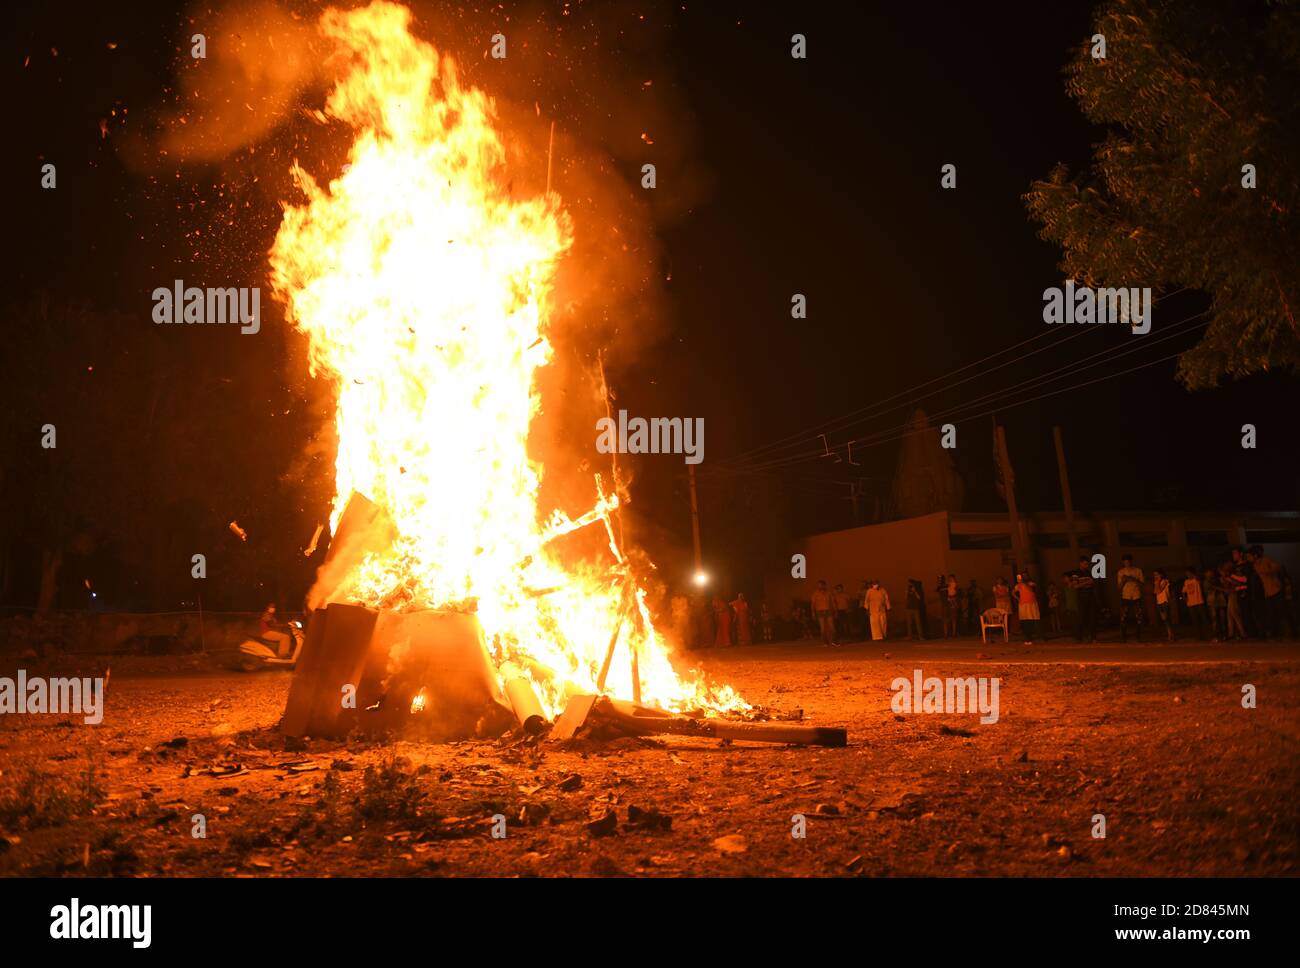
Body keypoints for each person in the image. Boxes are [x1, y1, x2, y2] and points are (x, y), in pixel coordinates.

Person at [1247, 546, 1283, 638]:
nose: (1248, 558)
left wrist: (1268, 571)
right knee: (1271, 614)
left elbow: (1277, 567)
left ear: (1255, 555)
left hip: (1276, 590)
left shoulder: (1266, 560)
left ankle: (1287, 633)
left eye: (1249, 556)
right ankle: (1275, 634)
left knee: (1281, 612)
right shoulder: (1255, 565)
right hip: (1268, 592)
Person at [1069, 557, 1099, 643]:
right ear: (1080, 563)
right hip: (1081, 598)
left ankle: (1093, 637)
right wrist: (1086, 583)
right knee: (1082, 617)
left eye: (1087, 564)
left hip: (1090, 597)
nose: (1087, 565)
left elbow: (1093, 583)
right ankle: (1079, 637)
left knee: (1092, 617)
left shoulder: (1089, 572)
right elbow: (1075, 586)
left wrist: (1089, 583)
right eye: (1085, 563)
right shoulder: (1076, 573)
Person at [1117, 554, 1145, 643]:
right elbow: (1119, 587)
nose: (1127, 563)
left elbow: (1142, 584)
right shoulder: (1121, 572)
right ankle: (1123, 636)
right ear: (1123, 562)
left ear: (1131, 561)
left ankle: (1138, 636)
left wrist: (1132, 579)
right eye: (1125, 562)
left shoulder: (1138, 571)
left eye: (1128, 561)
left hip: (1136, 595)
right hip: (1125, 596)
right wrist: (1124, 580)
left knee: (1139, 617)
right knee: (1123, 617)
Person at [1223, 558, 1248, 640]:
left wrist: (1230, 580)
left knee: (1235, 614)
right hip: (1231, 594)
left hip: (1234, 594)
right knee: (1230, 615)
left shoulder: (1234, 575)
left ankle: (1242, 633)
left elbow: (1240, 583)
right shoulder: (1230, 576)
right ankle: (1231, 634)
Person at [1181, 566, 1207, 641]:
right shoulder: (1186, 582)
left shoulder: (1196, 579)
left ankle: (1208, 635)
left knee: (1204, 619)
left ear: (1192, 573)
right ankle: (1199, 636)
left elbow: (1200, 578)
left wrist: (1195, 575)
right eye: (1186, 573)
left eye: (1189, 573)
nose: (1188, 575)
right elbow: (1183, 591)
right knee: (1195, 621)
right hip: (1191, 604)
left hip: (1199, 602)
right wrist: (1184, 598)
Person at [1012, 573, 1040, 644]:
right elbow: (1013, 592)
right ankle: (1028, 636)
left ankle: (1035, 635)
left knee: (1032, 619)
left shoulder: (1031, 584)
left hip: (1031, 604)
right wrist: (1018, 599)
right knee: (1025, 620)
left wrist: (1025, 583)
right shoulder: (1018, 586)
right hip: (1023, 604)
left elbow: (1033, 590)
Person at [811, 580, 837, 647]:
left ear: (824, 585)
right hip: (820, 612)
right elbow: (813, 604)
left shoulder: (829, 593)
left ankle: (833, 641)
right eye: (819, 585)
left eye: (821, 585)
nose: (820, 586)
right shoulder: (815, 594)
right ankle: (825, 642)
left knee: (832, 627)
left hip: (828, 611)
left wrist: (835, 611)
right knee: (822, 628)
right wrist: (813, 613)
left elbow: (833, 602)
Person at [1203, 568, 1226, 641]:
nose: (1210, 574)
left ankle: (1224, 635)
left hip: (1220, 601)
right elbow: (1210, 589)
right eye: (1208, 573)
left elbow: (1222, 586)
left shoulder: (1217, 580)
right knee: (1214, 619)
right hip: (1212, 602)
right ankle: (1216, 636)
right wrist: (1222, 589)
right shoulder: (1206, 582)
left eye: (1211, 572)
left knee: (1222, 618)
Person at [1152, 569, 1174, 642]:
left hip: (1165, 602)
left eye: (1156, 574)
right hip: (1159, 602)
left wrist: (1157, 582)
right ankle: (1169, 633)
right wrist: (1157, 583)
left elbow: (1159, 590)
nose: (1155, 576)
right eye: (1154, 575)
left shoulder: (1165, 581)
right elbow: (1155, 592)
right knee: (1164, 619)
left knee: (1167, 619)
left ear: (1161, 575)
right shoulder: (1156, 582)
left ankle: (1171, 635)